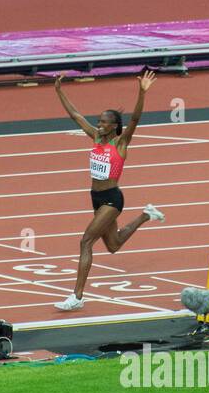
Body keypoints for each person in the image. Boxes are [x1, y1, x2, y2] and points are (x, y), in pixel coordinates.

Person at [53, 70, 165, 312]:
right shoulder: (95, 137)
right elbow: (75, 115)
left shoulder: (120, 143)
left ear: (114, 126)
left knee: (85, 242)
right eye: (99, 120)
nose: (99, 124)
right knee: (113, 245)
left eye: (104, 122)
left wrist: (142, 92)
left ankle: (77, 297)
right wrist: (59, 91)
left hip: (112, 200)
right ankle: (146, 215)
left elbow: (134, 119)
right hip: (96, 198)